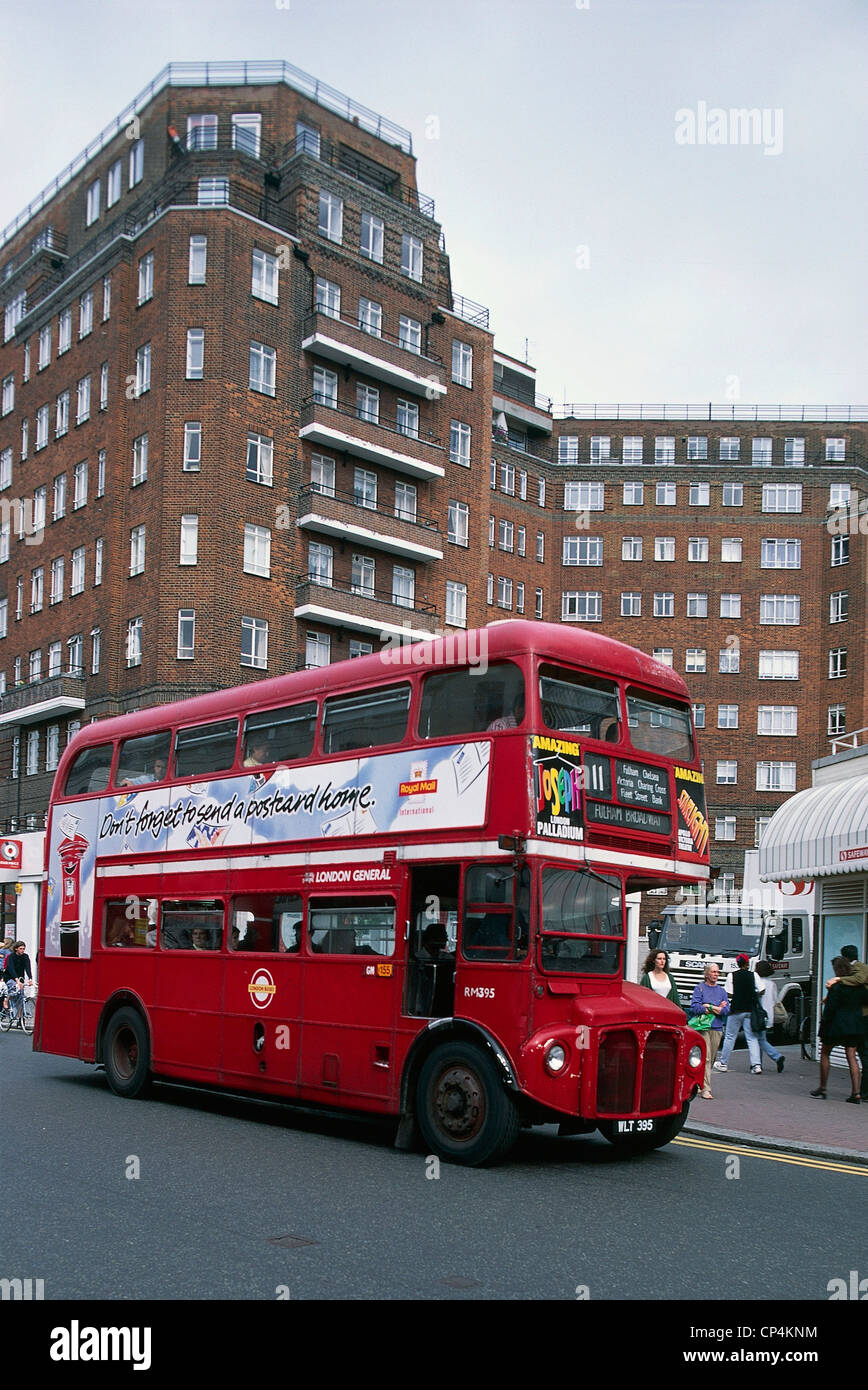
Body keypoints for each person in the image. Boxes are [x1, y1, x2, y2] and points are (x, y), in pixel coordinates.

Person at [811, 956, 867, 1102]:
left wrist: (824, 1023)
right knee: (851, 1056)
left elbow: (830, 1009)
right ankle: (856, 1093)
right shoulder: (859, 987)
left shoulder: (836, 987)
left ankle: (823, 1088)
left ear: (837, 970)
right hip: (855, 1025)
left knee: (825, 1053)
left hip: (836, 1025)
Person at [714, 954, 763, 1074]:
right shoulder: (754, 975)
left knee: (730, 1037)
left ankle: (723, 1063)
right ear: (747, 963)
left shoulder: (732, 975)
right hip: (750, 1010)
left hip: (736, 1009)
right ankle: (756, 1065)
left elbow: (729, 993)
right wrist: (753, 994)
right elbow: (762, 990)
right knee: (751, 1038)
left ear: (737, 963)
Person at [690, 962, 729, 1099]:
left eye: (717, 972)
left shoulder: (721, 991)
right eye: (713, 972)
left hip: (717, 1027)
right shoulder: (699, 989)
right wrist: (715, 1007)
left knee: (711, 1058)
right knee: (705, 1057)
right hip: (703, 1028)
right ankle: (706, 1088)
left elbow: (726, 1010)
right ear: (706, 974)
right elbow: (695, 1007)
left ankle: (700, 1083)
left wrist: (709, 1006)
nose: (716, 975)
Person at [753, 959, 785, 1073]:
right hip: (769, 1014)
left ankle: (776, 1056)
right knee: (761, 1038)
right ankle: (758, 1063)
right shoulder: (772, 984)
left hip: (758, 1014)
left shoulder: (756, 982)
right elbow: (776, 1000)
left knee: (758, 1039)